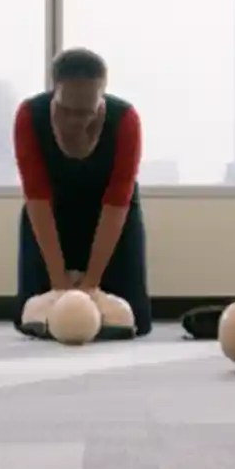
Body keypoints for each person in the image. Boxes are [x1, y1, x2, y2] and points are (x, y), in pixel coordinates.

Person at [13, 48, 151, 336]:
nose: (77, 120)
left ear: (102, 94)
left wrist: (91, 283)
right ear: (55, 91)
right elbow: (37, 196)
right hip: (52, 212)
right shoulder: (29, 116)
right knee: (37, 318)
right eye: (68, 111)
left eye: (87, 111)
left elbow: (118, 200)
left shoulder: (125, 120)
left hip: (111, 215)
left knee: (129, 320)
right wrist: (60, 283)